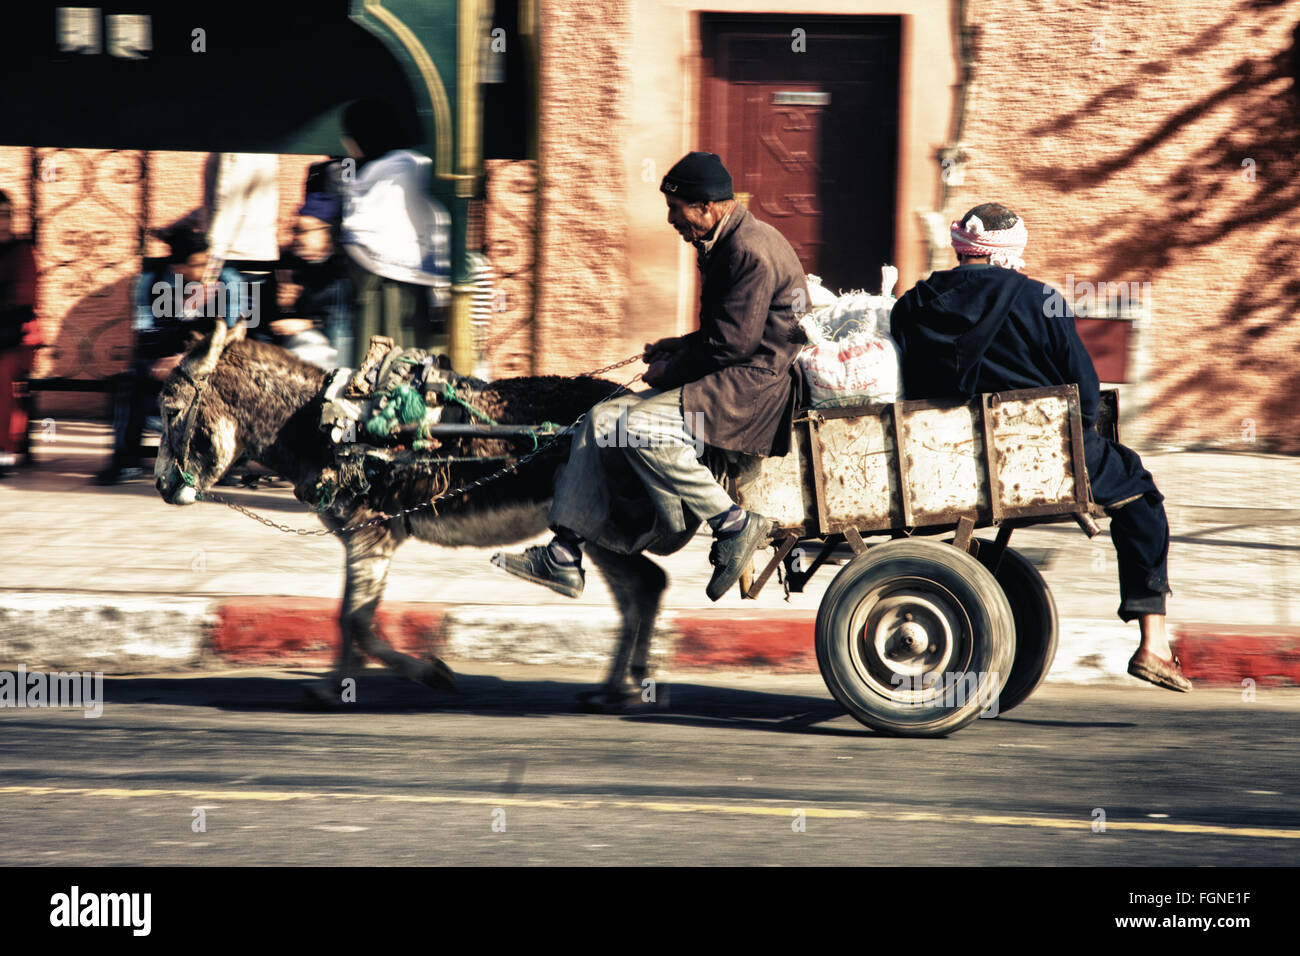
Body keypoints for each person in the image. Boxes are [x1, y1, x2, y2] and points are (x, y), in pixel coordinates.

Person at [889, 202, 1186, 691]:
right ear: (1011, 252)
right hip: (1039, 451)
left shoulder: (914, 303)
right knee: (1140, 494)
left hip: (934, 454)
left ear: (962, 248)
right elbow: (1086, 398)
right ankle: (1153, 642)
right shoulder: (1039, 300)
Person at [497, 151, 807, 602]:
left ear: (706, 207)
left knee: (637, 427)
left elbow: (733, 347)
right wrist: (680, 345)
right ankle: (564, 554)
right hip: (732, 380)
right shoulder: (732, 240)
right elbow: (729, 331)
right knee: (601, 421)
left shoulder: (747, 250)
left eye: (675, 209)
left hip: (751, 395)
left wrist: (671, 370)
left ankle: (733, 524)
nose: (670, 220)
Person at [96, 226, 245, 485]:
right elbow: (146, 333)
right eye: (199, 264)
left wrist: (188, 358)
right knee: (130, 380)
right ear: (178, 268)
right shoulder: (151, 281)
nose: (208, 269)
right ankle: (126, 461)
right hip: (164, 358)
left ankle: (219, 462)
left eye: (209, 261)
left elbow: (235, 335)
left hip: (213, 359)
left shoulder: (227, 280)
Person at [338, 97, 451, 368]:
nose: (347, 146)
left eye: (349, 137)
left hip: (381, 292)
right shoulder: (420, 164)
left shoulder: (386, 170)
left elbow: (359, 234)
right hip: (420, 290)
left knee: (380, 373)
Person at [200, 152, 280, 341]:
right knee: (253, 337)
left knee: (230, 340)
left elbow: (230, 204)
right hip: (256, 253)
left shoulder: (238, 152)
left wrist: (212, 267)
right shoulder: (264, 150)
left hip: (236, 255)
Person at [0, 189, 40, 477]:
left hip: (17, 341)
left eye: (6, 216)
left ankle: (4, 449)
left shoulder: (22, 253)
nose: (3, 223)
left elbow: (20, 305)